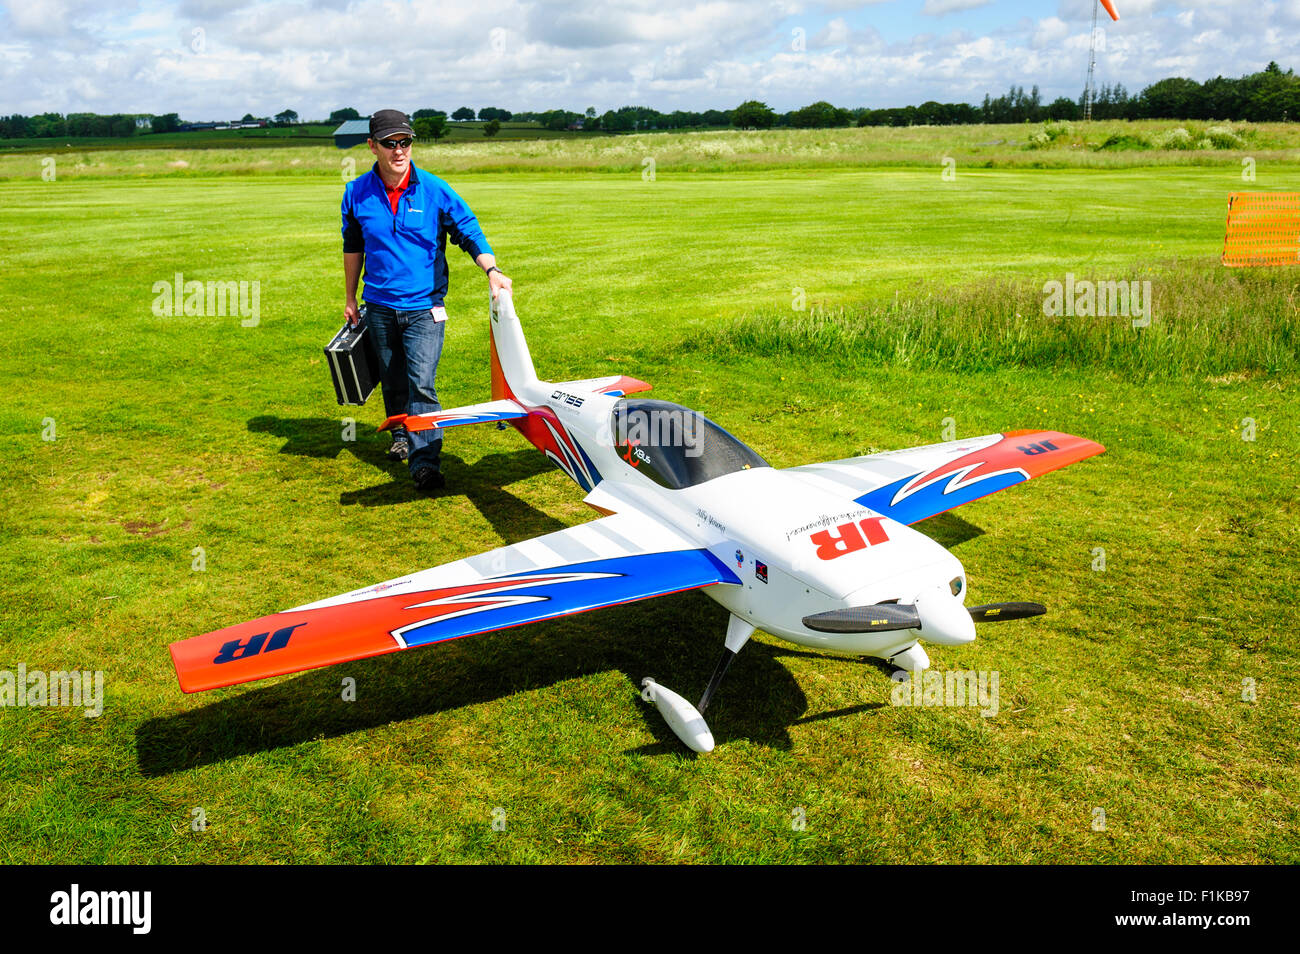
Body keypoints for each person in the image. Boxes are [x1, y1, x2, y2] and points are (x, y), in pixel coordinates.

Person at [341, 109, 511, 492]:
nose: (399, 150)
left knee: (421, 382)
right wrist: (350, 298)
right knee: (392, 378)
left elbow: (468, 230)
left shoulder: (435, 190)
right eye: (390, 143)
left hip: (425, 308)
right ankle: (401, 434)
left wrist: (492, 270)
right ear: (372, 146)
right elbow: (353, 247)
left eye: (406, 142)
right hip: (379, 305)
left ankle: (424, 463)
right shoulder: (355, 193)